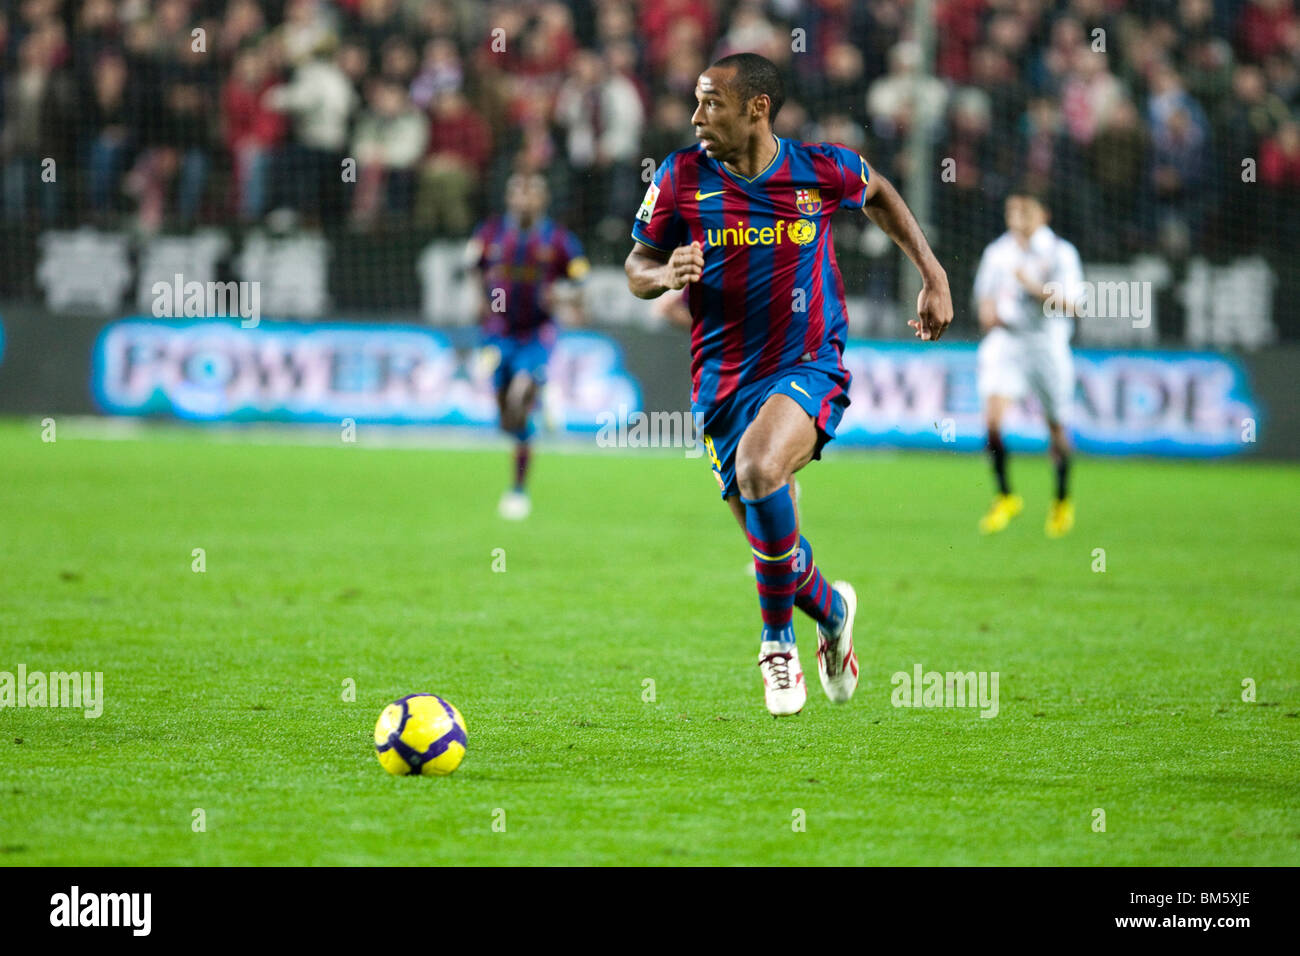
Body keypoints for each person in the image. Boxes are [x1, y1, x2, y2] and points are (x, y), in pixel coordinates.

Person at [624, 52, 952, 716]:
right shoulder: (681, 176)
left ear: (757, 107)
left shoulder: (820, 168)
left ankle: (778, 647)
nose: (696, 116)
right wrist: (665, 274)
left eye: (711, 102)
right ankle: (833, 615)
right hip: (719, 384)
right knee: (775, 545)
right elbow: (637, 264)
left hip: (807, 364)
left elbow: (880, 192)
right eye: (695, 100)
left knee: (759, 466)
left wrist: (933, 273)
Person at [466, 171, 588, 520]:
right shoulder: (490, 234)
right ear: (508, 197)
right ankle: (540, 394)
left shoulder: (559, 239)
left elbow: (580, 282)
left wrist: (562, 296)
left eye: (530, 192)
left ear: (542, 199)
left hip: (538, 333)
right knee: (508, 418)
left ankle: (518, 491)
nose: (523, 199)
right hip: (499, 330)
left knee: (521, 397)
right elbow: (474, 267)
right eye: (517, 192)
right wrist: (480, 299)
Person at [973, 187, 1083, 537]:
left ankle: (1062, 499)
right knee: (992, 422)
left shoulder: (1061, 253)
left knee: (1056, 427)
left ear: (1042, 215)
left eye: (1024, 211)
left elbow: (1074, 305)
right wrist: (987, 311)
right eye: (1012, 211)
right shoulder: (997, 253)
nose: (1016, 217)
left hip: (1046, 345)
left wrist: (1035, 288)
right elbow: (984, 298)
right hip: (1007, 342)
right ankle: (1005, 495)